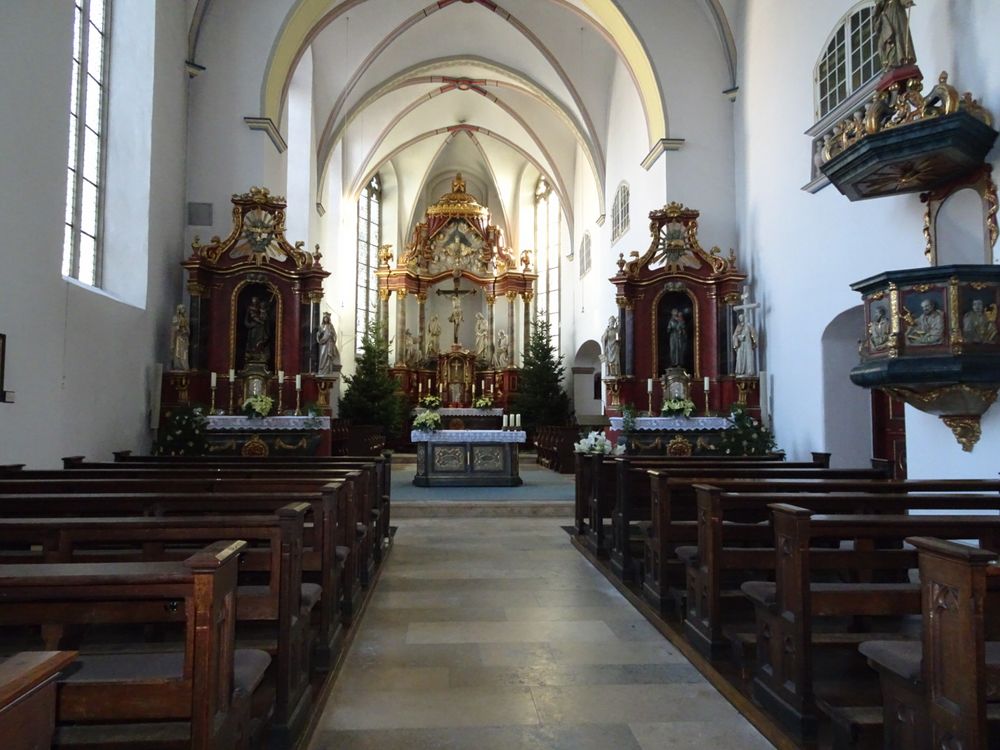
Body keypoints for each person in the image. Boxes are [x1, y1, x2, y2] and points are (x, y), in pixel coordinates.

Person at [874, 0, 916, 70]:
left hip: (896, 12)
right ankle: (892, 62)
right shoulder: (883, 9)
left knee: (899, 35)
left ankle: (902, 58)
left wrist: (907, 2)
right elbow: (877, 9)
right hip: (887, 18)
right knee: (887, 42)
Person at [244, 296, 271, 364]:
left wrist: (263, 313)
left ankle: (260, 354)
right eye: (253, 301)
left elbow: (265, 319)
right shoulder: (250, 309)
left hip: (261, 329)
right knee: (253, 340)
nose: (255, 303)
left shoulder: (262, 310)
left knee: (260, 341)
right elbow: (252, 317)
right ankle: (252, 354)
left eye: (256, 301)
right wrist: (259, 321)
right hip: (254, 327)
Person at [732, 312, 757, 376]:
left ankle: (749, 371)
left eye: (742, 317)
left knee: (748, 356)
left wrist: (754, 341)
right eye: (740, 318)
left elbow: (754, 334)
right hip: (740, 344)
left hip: (747, 343)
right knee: (740, 357)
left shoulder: (749, 325)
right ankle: (741, 371)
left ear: (744, 317)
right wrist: (739, 338)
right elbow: (734, 336)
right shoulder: (738, 326)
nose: (741, 319)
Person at [315, 311, 340, 376]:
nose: (325, 319)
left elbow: (335, 335)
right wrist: (318, 337)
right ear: (323, 319)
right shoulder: (321, 326)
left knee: (328, 357)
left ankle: (328, 371)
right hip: (323, 344)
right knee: (322, 355)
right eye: (324, 318)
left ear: (328, 319)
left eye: (327, 318)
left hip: (329, 343)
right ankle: (322, 370)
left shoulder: (330, 326)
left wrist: (333, 340)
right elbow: (319, 333)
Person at [170, 304, 190, 371]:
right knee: (178, 353)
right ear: (179, 310)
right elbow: (174, 329)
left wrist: (186, 330)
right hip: (178, 338)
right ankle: (178, 365)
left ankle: (184, 366)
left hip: (184, 339)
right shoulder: (175, 318)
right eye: (182, 308)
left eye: (184, 308)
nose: (183, 310)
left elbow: (188, 330)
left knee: (184, 353)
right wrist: (178, 327)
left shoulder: (185, 319)